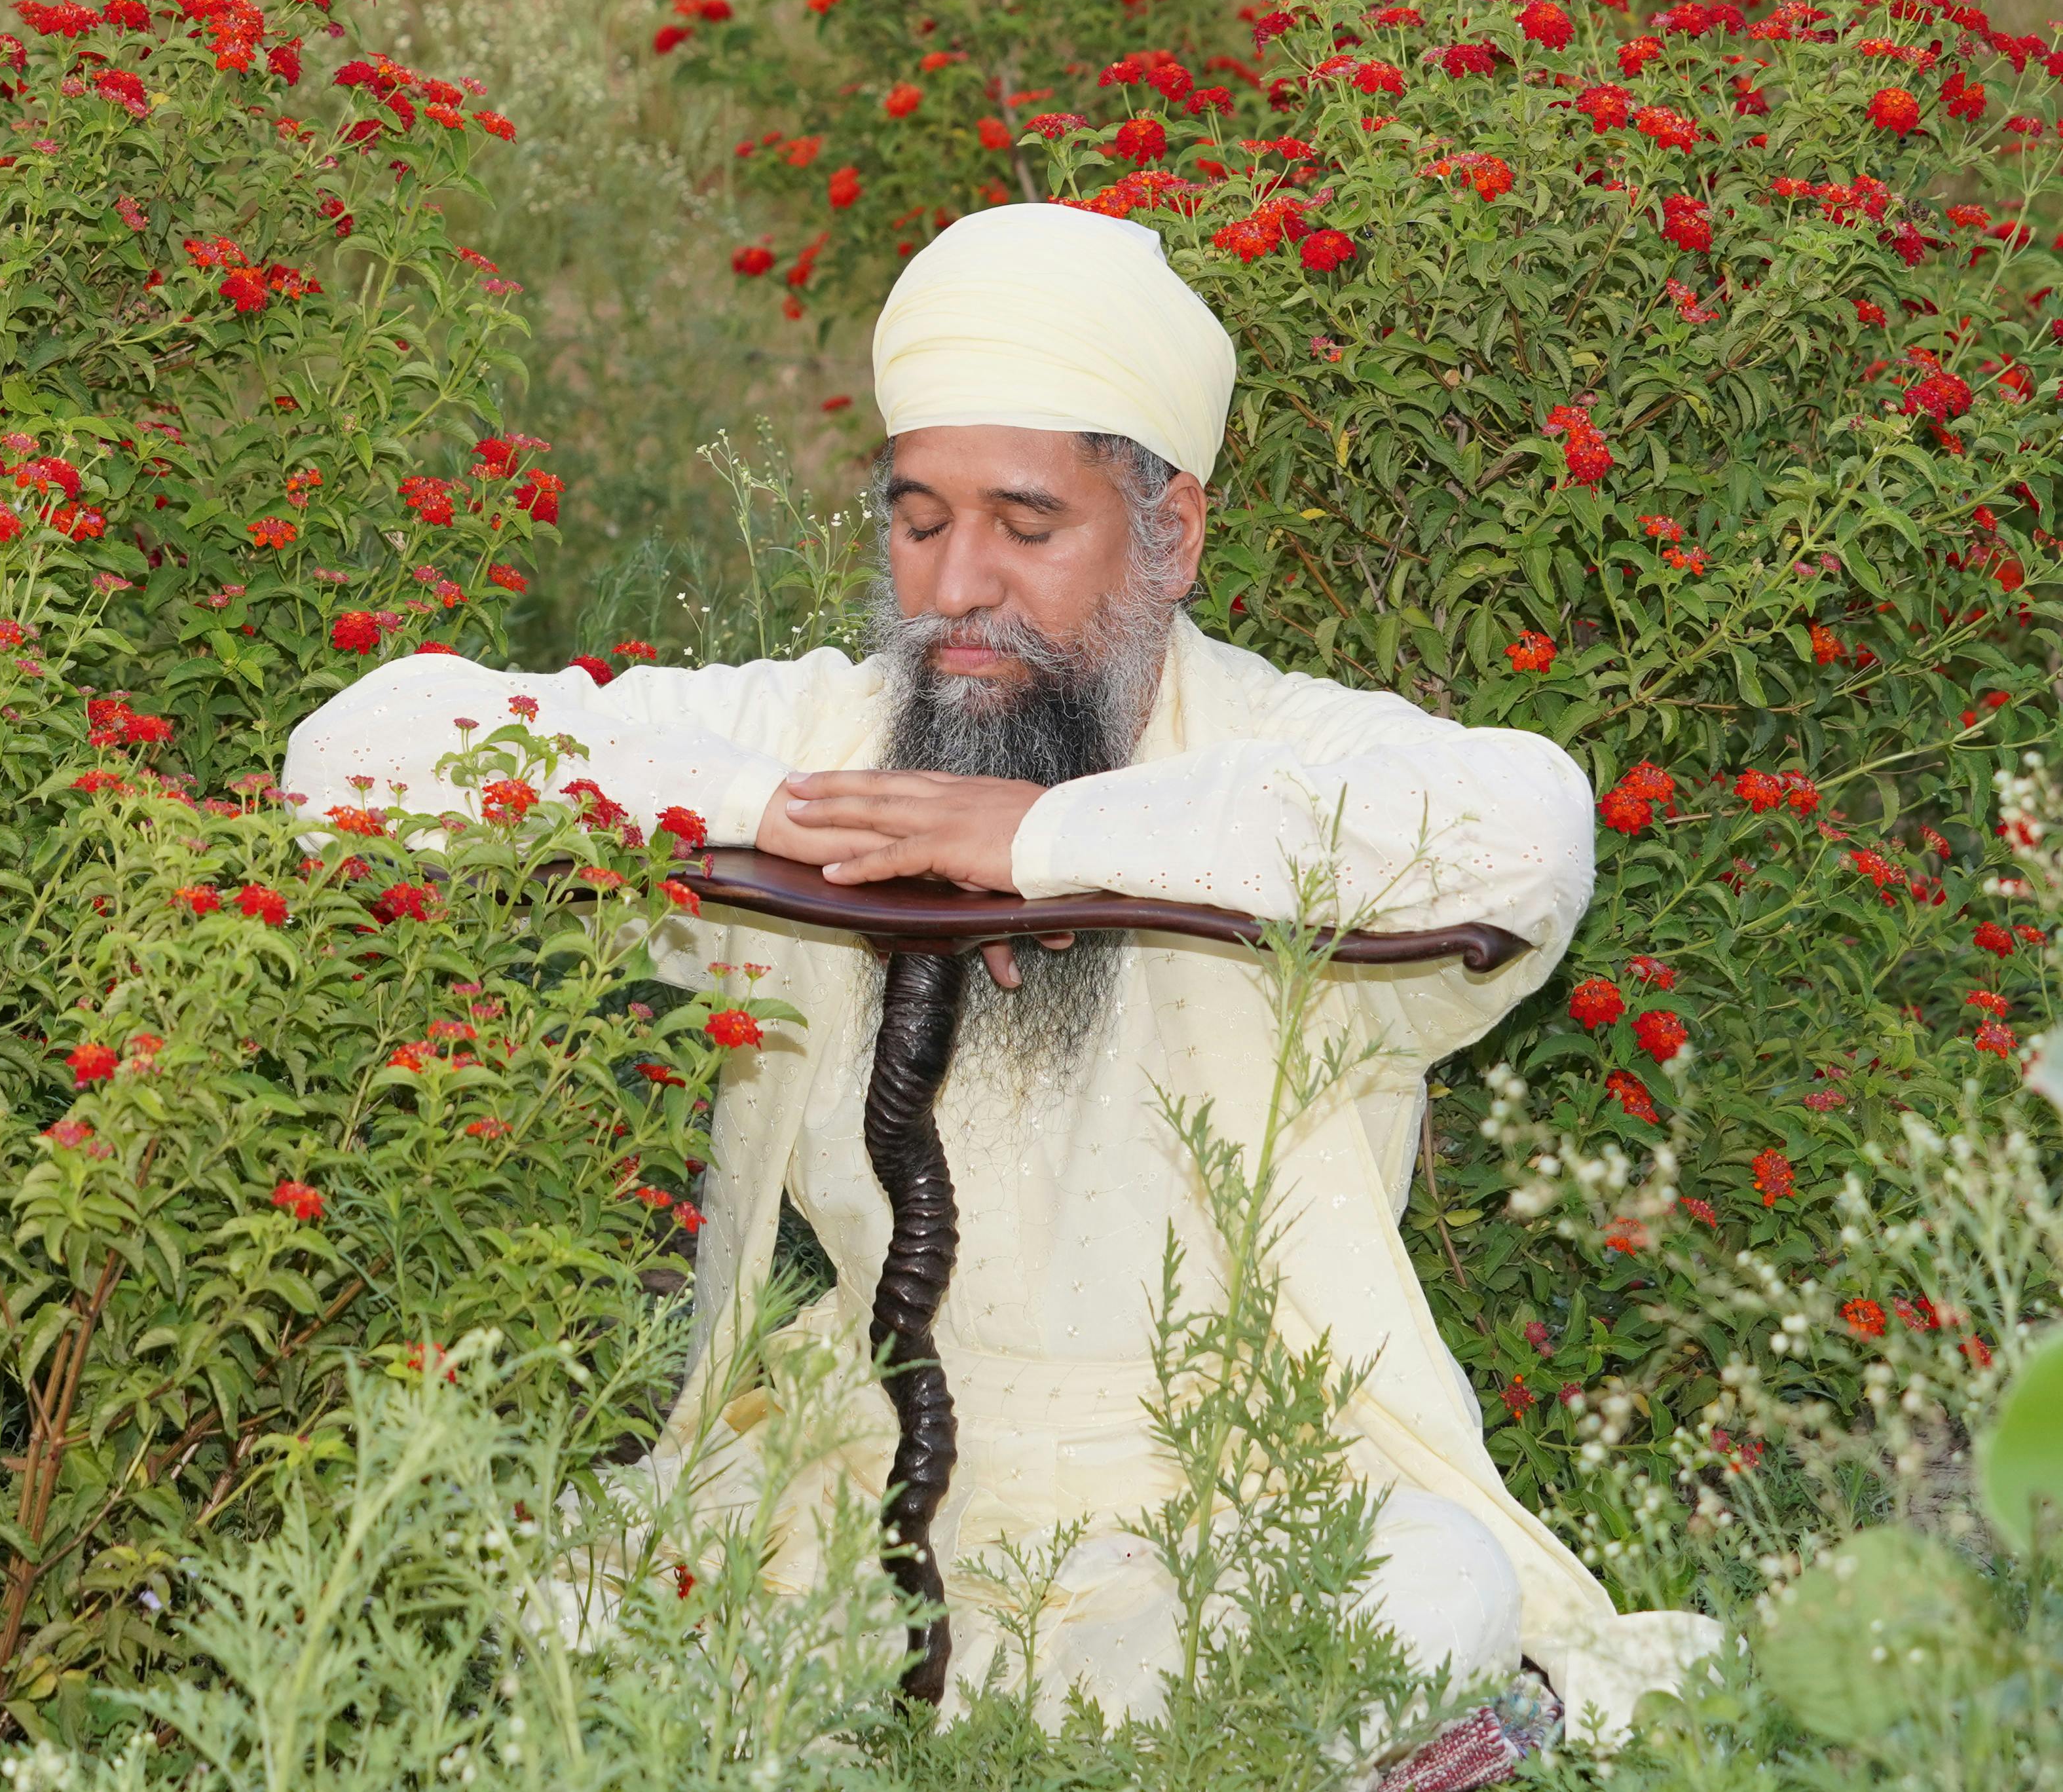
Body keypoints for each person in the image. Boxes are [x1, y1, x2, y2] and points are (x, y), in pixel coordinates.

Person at [281, 203, 1718, 1744]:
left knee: (1430, 1592)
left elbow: (1525, 832)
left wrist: (1040, 836)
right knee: (532, 1589)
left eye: (1027, 526)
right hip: (851, 1485)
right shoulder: (835, 734)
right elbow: (349, 760)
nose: (956, 581)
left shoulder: (1280, 750)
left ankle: (966, 1735)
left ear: (1172, 533)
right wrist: (787, 816)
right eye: (917, 518)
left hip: (1225, 1506)